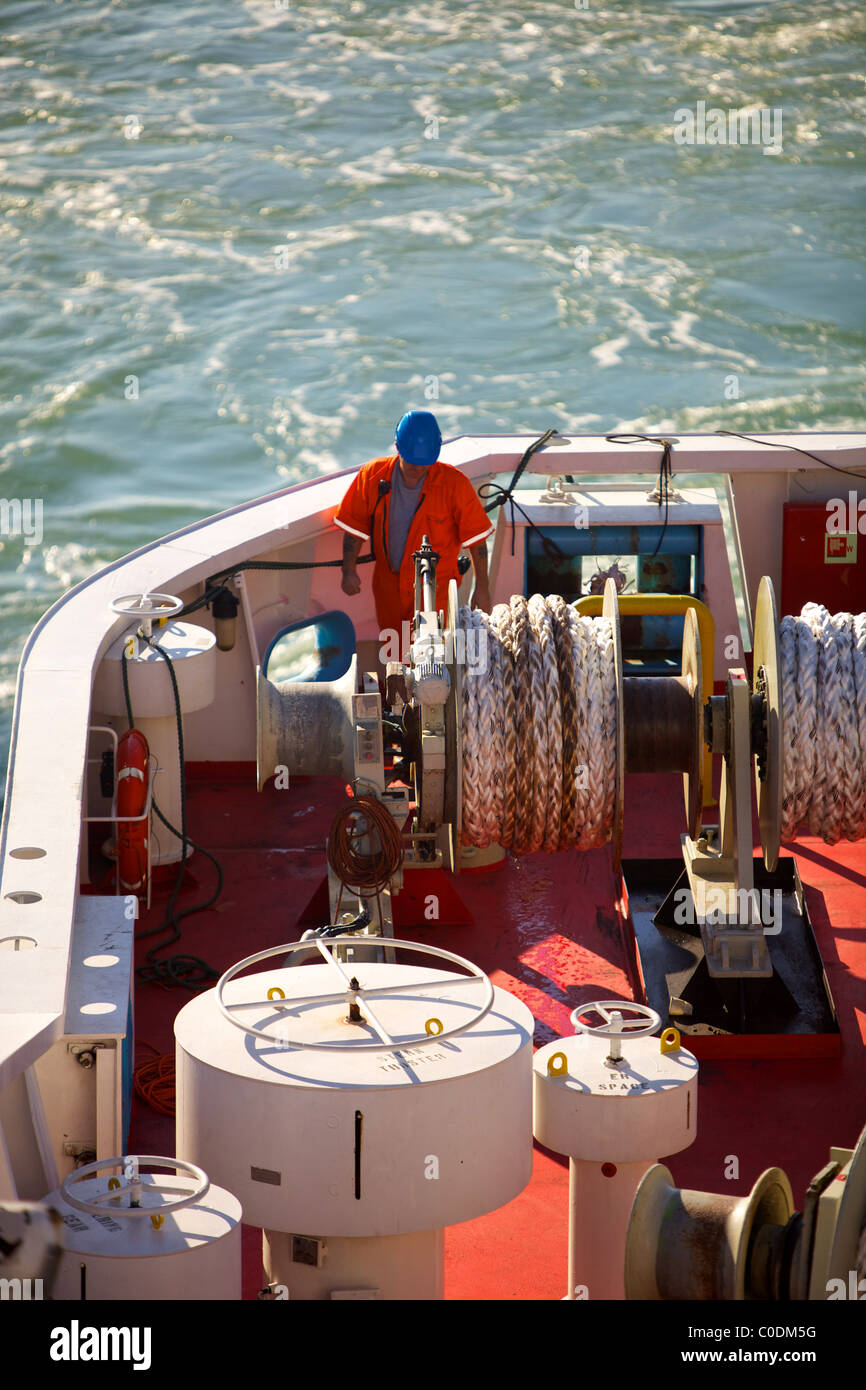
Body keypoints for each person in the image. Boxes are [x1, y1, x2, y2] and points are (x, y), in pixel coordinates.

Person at [335, 410, 492, 643]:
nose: (419, 469)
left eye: (425, 464)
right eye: (412, 463)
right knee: (394, 654)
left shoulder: (454, 484)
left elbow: (477, 541)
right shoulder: (372, 476)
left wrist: (482, 588)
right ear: (398, 448)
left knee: (431, 656)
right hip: (388, 590)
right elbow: (354, 528)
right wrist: (348, 571)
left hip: (435, 591)